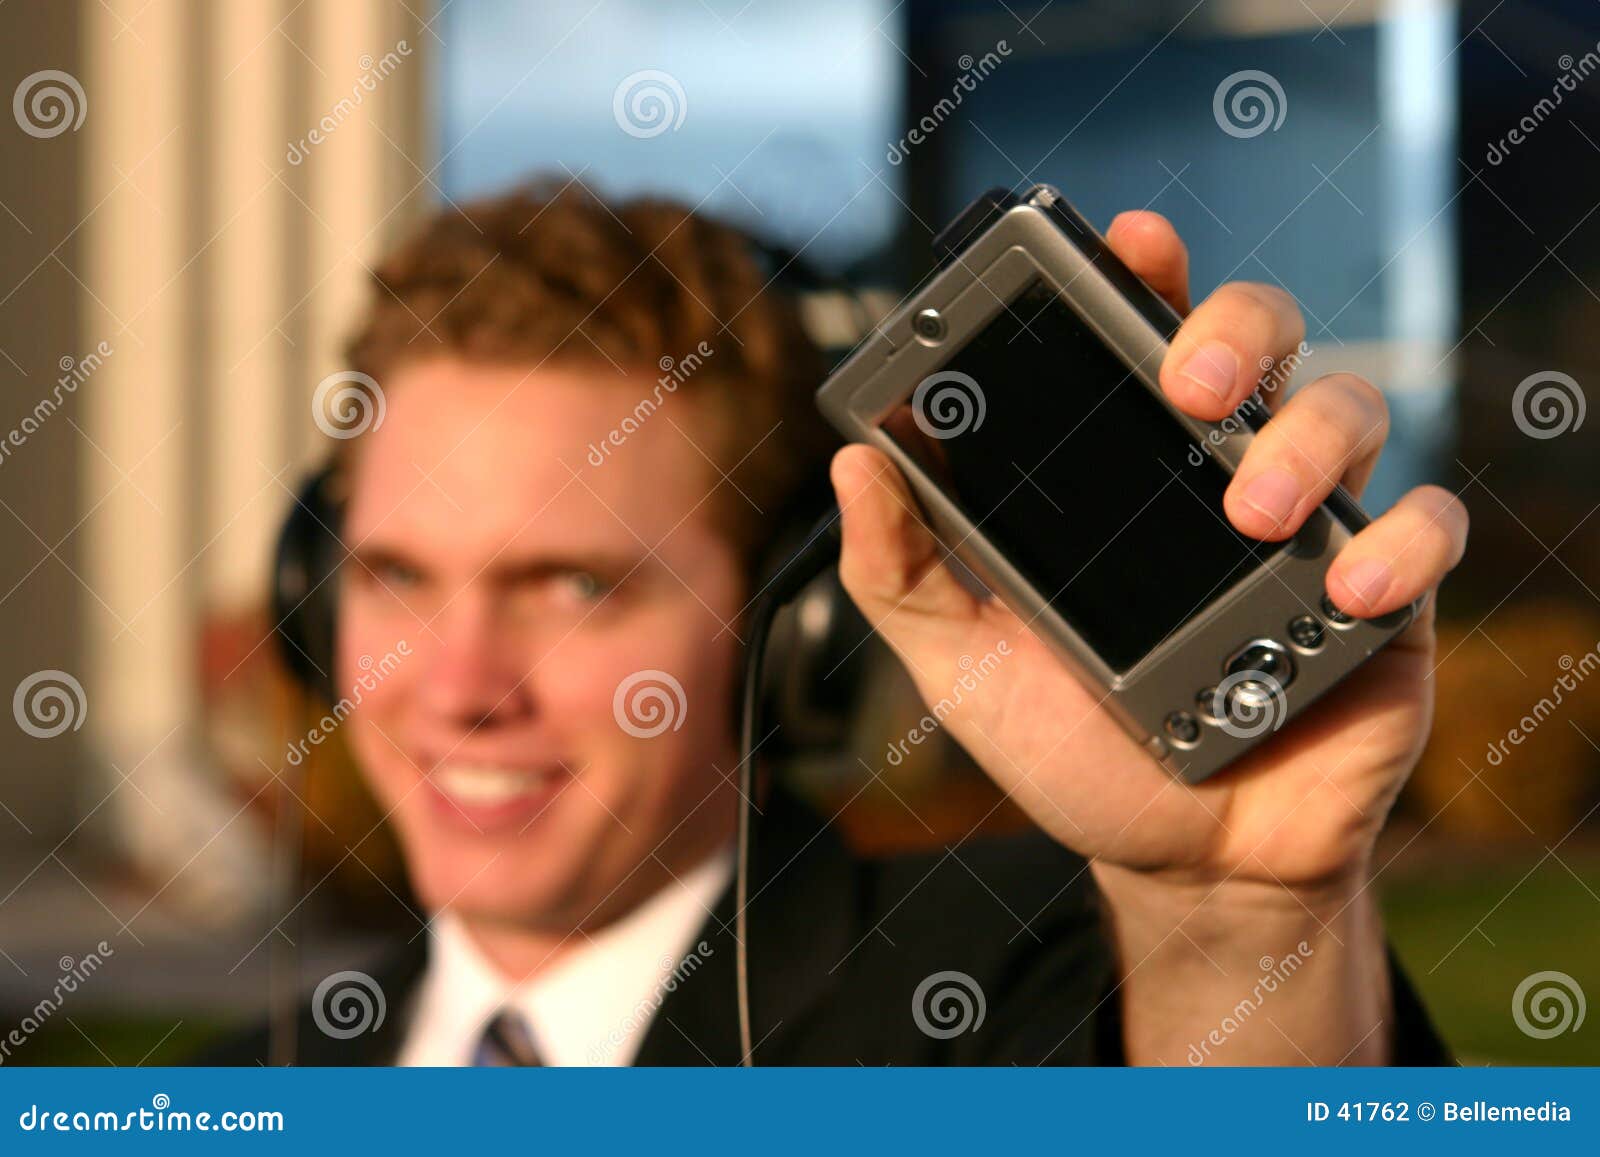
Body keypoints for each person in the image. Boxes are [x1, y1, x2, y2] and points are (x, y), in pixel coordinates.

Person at [207, 179, 1466, 1066]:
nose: (459, 684)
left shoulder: (1016, 991)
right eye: (395, 575)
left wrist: (1244, 923)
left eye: (575, 586)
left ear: (795, 626)